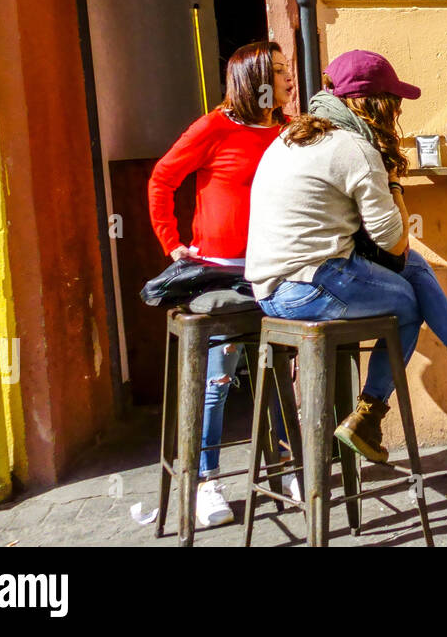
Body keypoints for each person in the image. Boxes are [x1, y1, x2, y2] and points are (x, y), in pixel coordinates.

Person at [245, 49, 447, 465]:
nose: (398, 111)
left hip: (272, 286)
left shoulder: (295, 136)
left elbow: (394, 251)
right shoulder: (353, 148)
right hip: (307, 286)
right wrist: (394, 180)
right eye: (395, 101)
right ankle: (372, 411)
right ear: (377, 104)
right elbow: (393, 241)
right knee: (407, 301)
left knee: (413, 268)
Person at [147, 40, 296, 528]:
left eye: (287, 68)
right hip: (221, 275)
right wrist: (173, 244)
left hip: (275, 271)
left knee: (280, 372)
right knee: (220, 376)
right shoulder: (213, 127)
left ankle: (289, 467)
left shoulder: (290, 131)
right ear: (253, 79)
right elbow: (162, 179)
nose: (288, 78)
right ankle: (207, 480)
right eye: (277, 70)